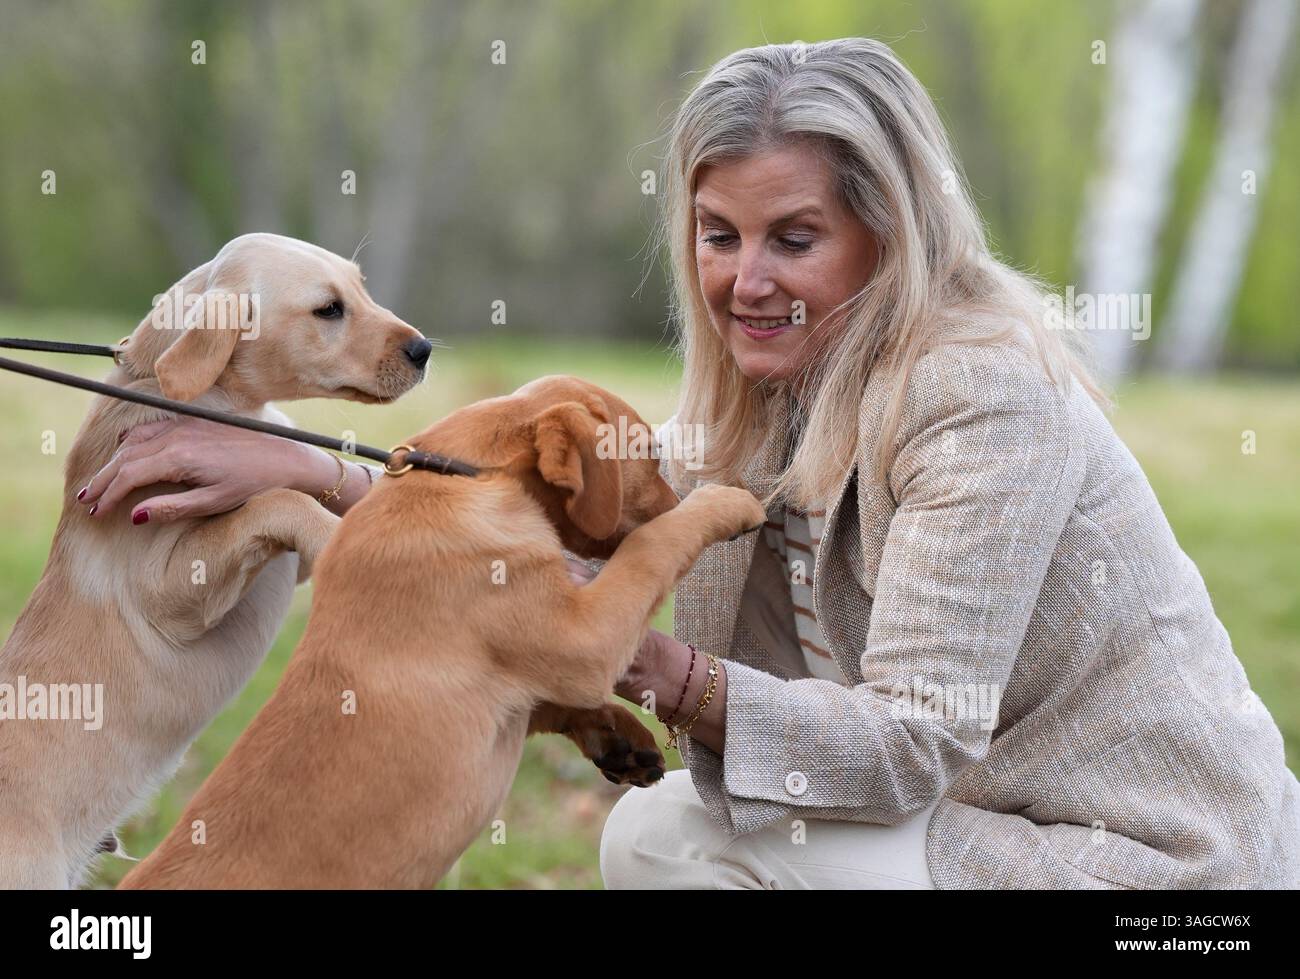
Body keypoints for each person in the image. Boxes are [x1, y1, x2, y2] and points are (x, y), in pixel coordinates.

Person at [78, 38, 1299, 891]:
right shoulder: (774, 383)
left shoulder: (979, 394)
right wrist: (290, 467)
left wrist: (647, 664)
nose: (743, 279)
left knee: (691, 843)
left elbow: (909, 744)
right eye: (719, 236)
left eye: (794, 237)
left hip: (1147, 869)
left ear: (894, 234)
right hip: (972, 820)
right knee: (662, 836)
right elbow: (589, 501)